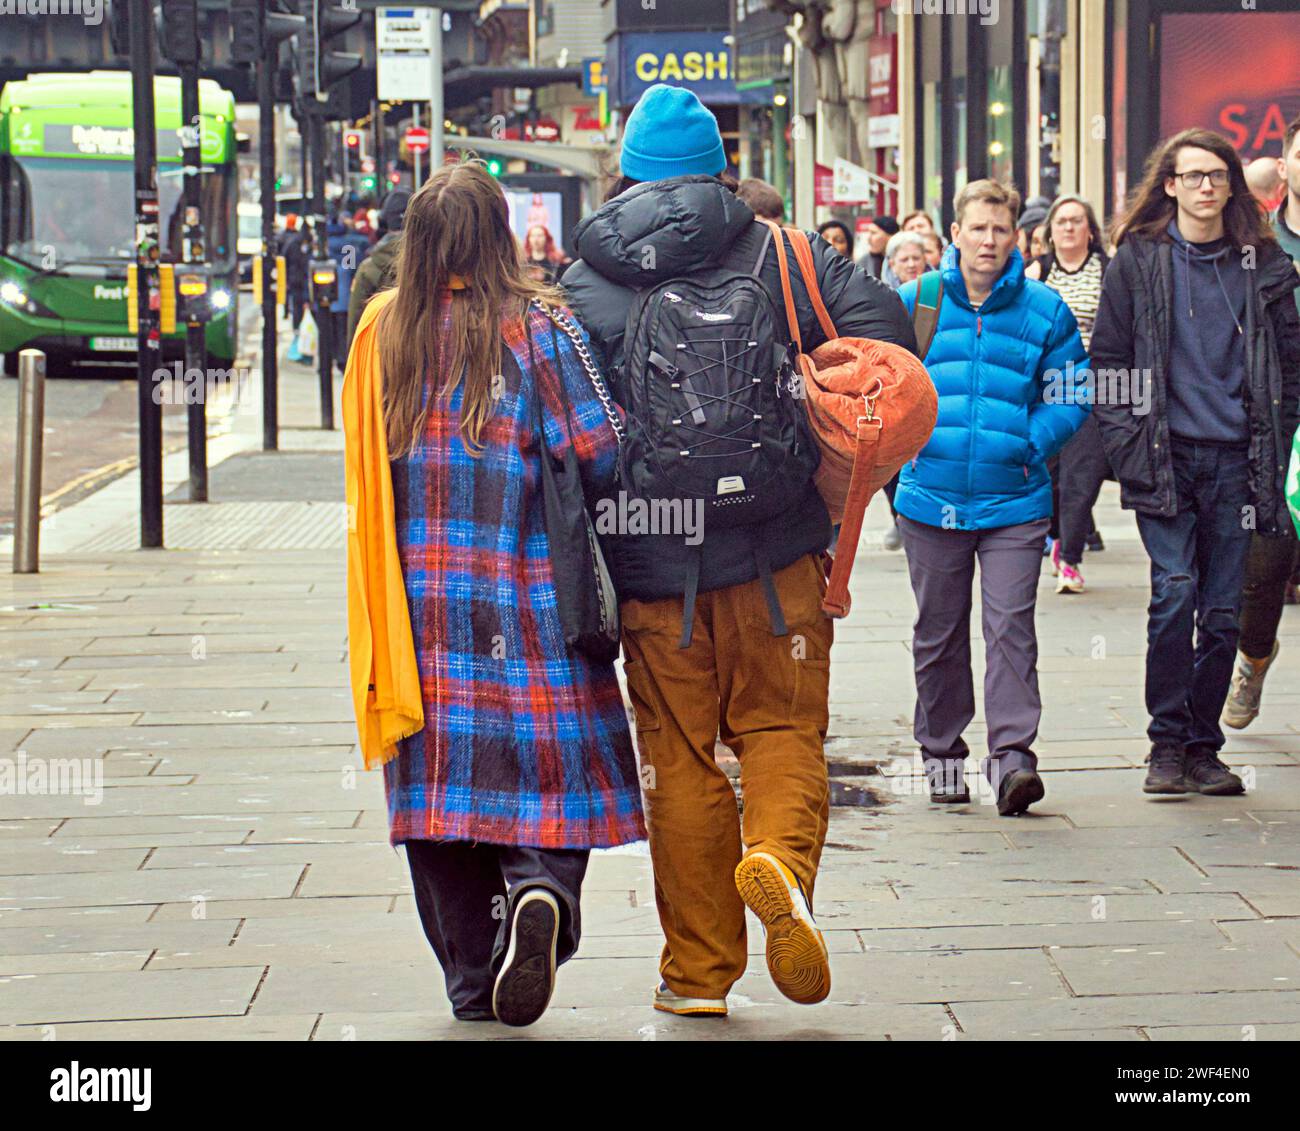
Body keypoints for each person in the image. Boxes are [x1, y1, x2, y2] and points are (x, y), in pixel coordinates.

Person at [563, 83, 916, 1018]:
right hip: (778, 557)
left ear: (626, 173)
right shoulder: (788, 252)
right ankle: (780, 860)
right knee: (782, 731)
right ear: (720, 167)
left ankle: (696, 976)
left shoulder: (584, 277)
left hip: (650, 569)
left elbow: (570, 426)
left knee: (678, 762)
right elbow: (890, 337)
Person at [343, 160, 645, 1027]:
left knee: (439, 805)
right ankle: (540, 888)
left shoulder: (380, 334)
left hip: (417, 613)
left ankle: (472, 976)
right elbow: (601, 446)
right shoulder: (537, 330)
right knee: (553, 776)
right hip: (532, 601)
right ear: (499, 236)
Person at [1090, 127, 1300, 796]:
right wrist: (1128, 445)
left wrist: (1277, 442)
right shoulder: (1139, 260)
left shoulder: (1264, 267)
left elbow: (1291, 373)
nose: (1207, 187)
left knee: (1222, 611)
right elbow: (1109, 362)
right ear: (1171, 184)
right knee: (1173, 589)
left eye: (1218, 175)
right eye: (1194, 176)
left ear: (1233, 185)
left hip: (1239, 461)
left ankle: (1203, 746)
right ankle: (1164, 744)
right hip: (1166, 456)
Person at [895, 179, 1091, 815]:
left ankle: (1013, 759)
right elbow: (877, 384)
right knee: (938, 634)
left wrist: (1029, 444)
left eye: (1000, 230)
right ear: (955, 233)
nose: (988, 240)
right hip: (932, 498)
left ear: (1017, 238)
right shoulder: (915, 302)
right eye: (977, 228)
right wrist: (909, 450)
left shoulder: (1045, 309)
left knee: (1010, 628)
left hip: (1016, 500)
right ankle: (943, 756)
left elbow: (1072, 391)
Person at [1222, 115, 1300, 729]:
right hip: (1278, 426)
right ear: (1285, 164)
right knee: (1264, 571)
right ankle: (1255, 655)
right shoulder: (1260, 248)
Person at [1027, 194, 1111, 595]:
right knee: (1052, 472)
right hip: (1046, 384)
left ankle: (1071, 559)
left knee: (1083, 472)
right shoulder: (1037, 273)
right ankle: (1057, 536)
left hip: (1093, 381)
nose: (1068, 228)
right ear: (1050, 232)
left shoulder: (1108, 272)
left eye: (1077, 221)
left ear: (1090, 230)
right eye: (1061, 221)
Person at [878, 230, 930, 551]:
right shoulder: (881, 295)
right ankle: (900, 515)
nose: (912, 264)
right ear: (893, 264)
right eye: (905, 259)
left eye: (917, 258)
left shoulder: (933, 295)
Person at [347, 189, 411, 347]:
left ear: (383, 221)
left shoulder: (368, 269)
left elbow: (356, 324)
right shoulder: (435, 265)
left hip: (379, 361)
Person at [327, 214, 370, 373]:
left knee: (331, 330)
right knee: (344, 329)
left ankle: (334, 356)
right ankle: (344, 358)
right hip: (345, 295)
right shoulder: (349, 245)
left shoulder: (324, 245)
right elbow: (352, 269)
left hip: (328, 295)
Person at [278, 215, 310, 330]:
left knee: (296, 304)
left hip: (293, 277)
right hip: (303, 277)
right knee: (303, 303)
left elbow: (283, 258)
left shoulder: (288, 239)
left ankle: (296, 327)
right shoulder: (307, 242)